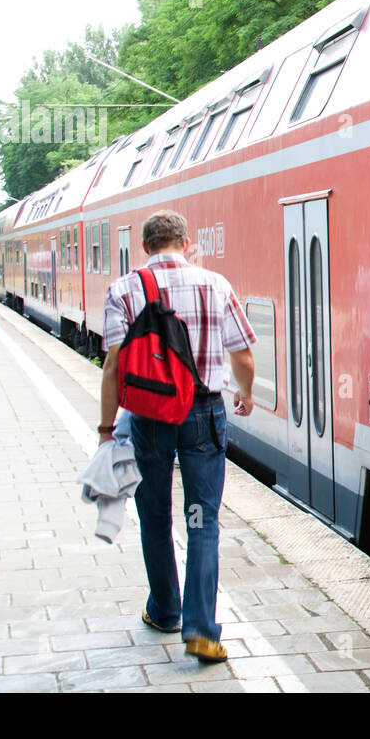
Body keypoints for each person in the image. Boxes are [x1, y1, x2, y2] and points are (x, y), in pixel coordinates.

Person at [97, 210, 256, 664]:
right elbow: (242, 356)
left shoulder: (124, 289)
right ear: (186, 243)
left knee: (154, 513)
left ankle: (165, 610)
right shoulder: (216, 284)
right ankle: (203, 631)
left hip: (148, 415)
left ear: (145, 247)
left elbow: (112, 367)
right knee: (202, 518)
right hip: (204, 411)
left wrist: (107, 429)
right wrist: (244, 395)